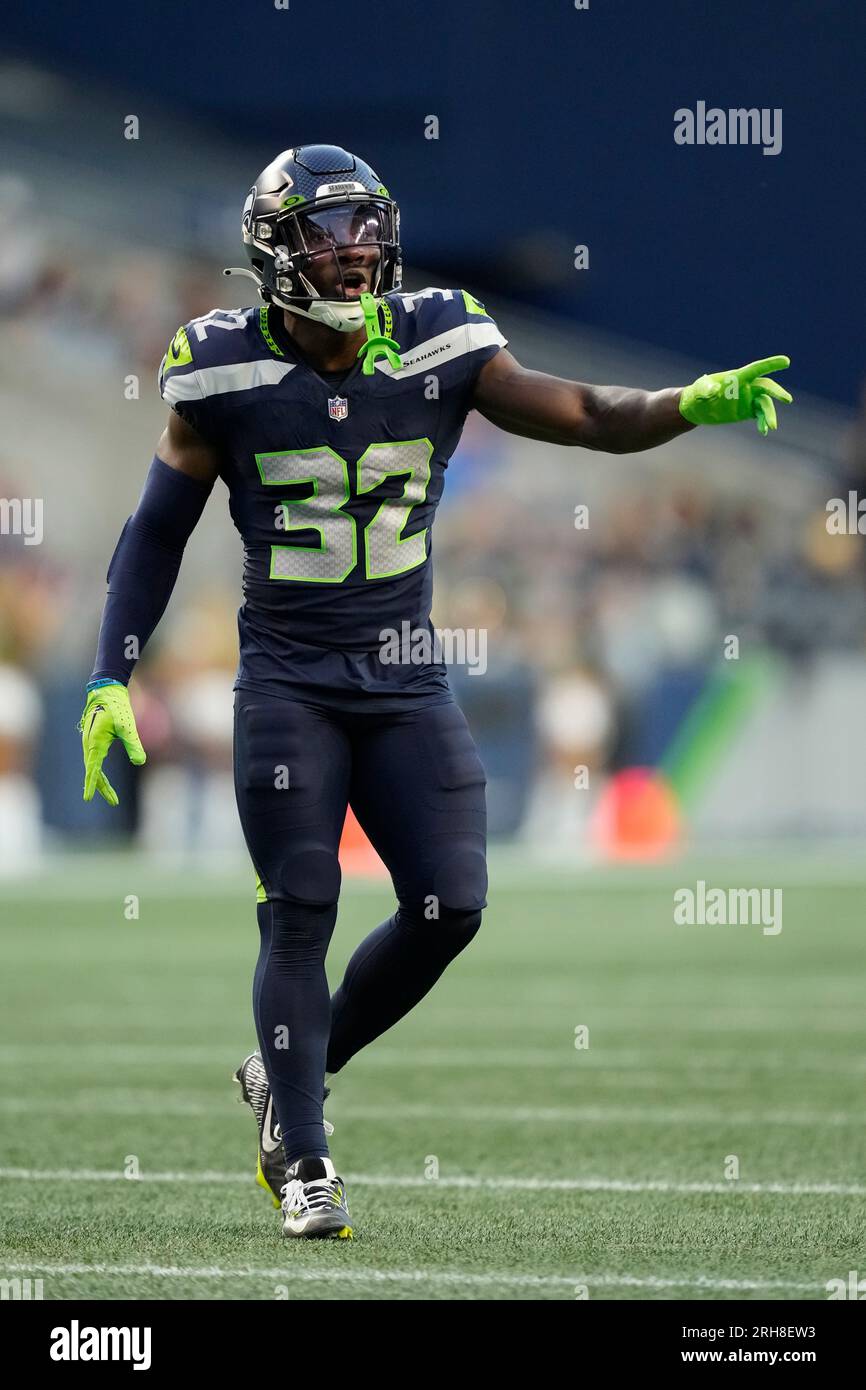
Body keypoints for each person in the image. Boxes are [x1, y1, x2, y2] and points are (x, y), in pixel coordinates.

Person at [80, 144, 792, 1239]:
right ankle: (305, 1156)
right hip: (290, 682)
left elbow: (585, 415)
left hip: (406, 679)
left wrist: (684, 403)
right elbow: (155, 533)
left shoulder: (438, 338)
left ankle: (288, 1074)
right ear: (277, 250)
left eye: (364, 225)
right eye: (327, 230)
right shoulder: (218, 367)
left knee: (449, 905)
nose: (356, 250)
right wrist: (109, 674)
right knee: (300, 908)